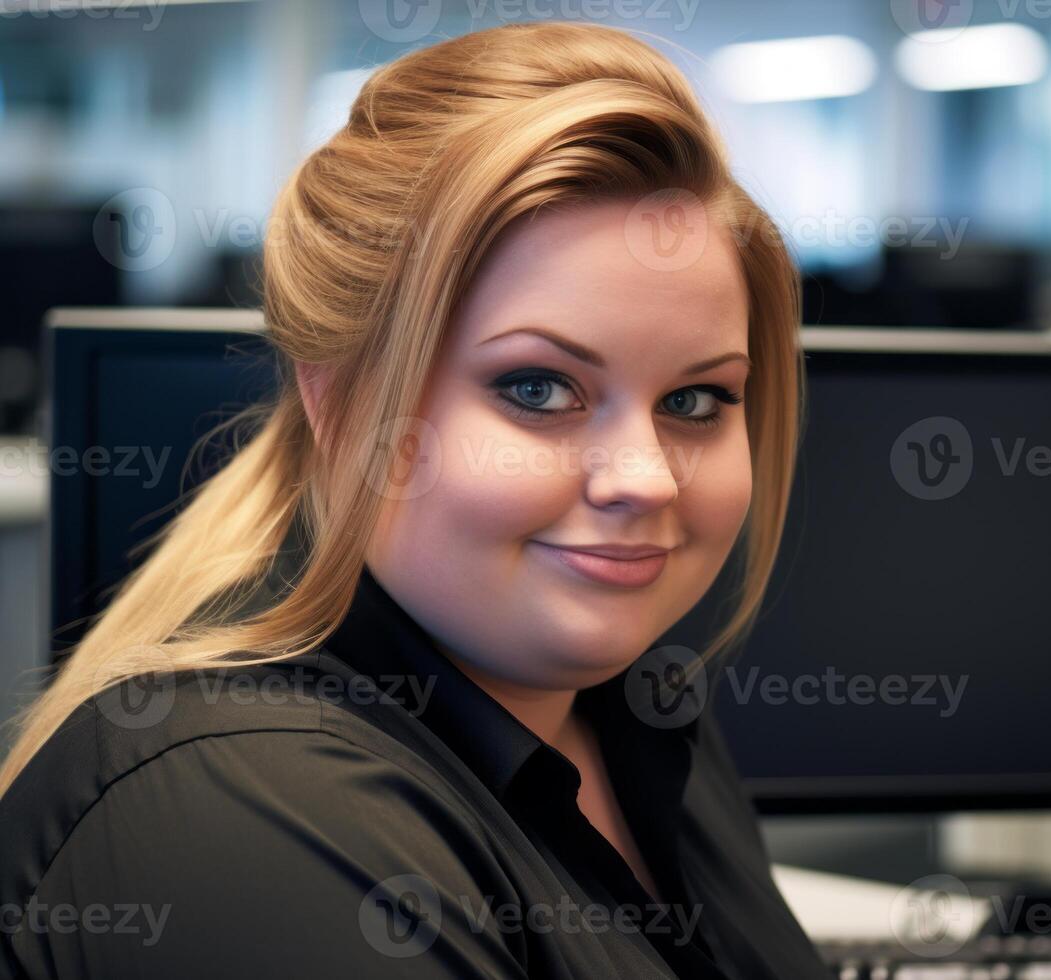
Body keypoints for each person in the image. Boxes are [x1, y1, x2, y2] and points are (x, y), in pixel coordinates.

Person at [0, 21, 824, 979]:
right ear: (345, 404)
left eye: (695, 400)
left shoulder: (630, 706)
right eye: (537, 389)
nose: (644, 476)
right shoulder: (242, 812)